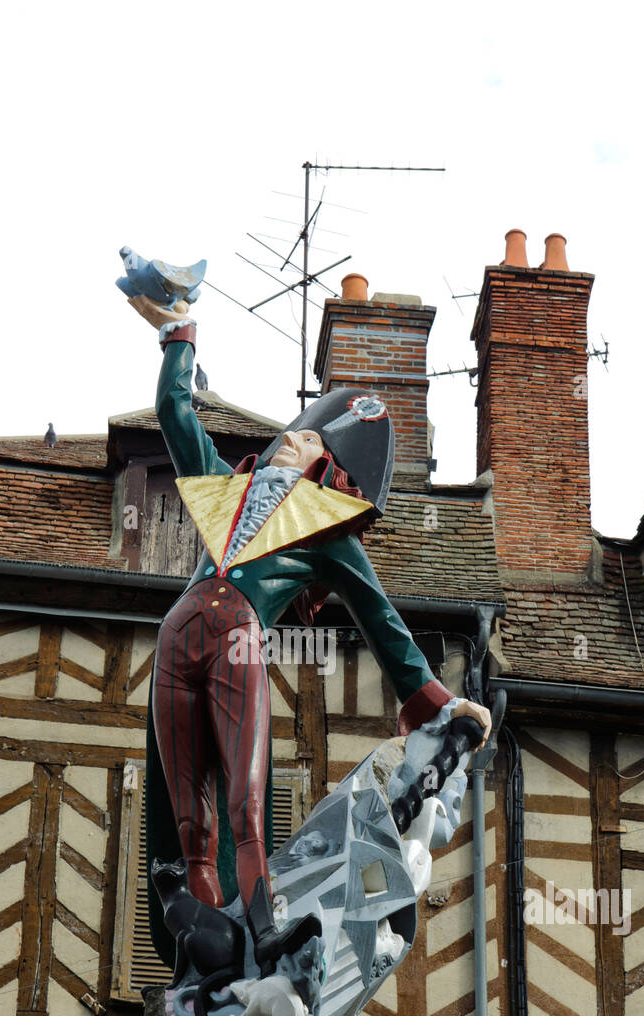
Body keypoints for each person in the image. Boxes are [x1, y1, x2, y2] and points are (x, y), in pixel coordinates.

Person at [130, 294, 491, 970]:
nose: (287, 439)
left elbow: (380, 618)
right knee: (189, 825)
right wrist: (179, 338)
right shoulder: (222, 487)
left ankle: (261, 930)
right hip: (176, 634)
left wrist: (440, 704)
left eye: (304, 439)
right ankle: (201, 951)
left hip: (237, 630)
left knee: (245, 797)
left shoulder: (325, 528)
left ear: (324, 466)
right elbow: (175, 417)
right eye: (289, 435)